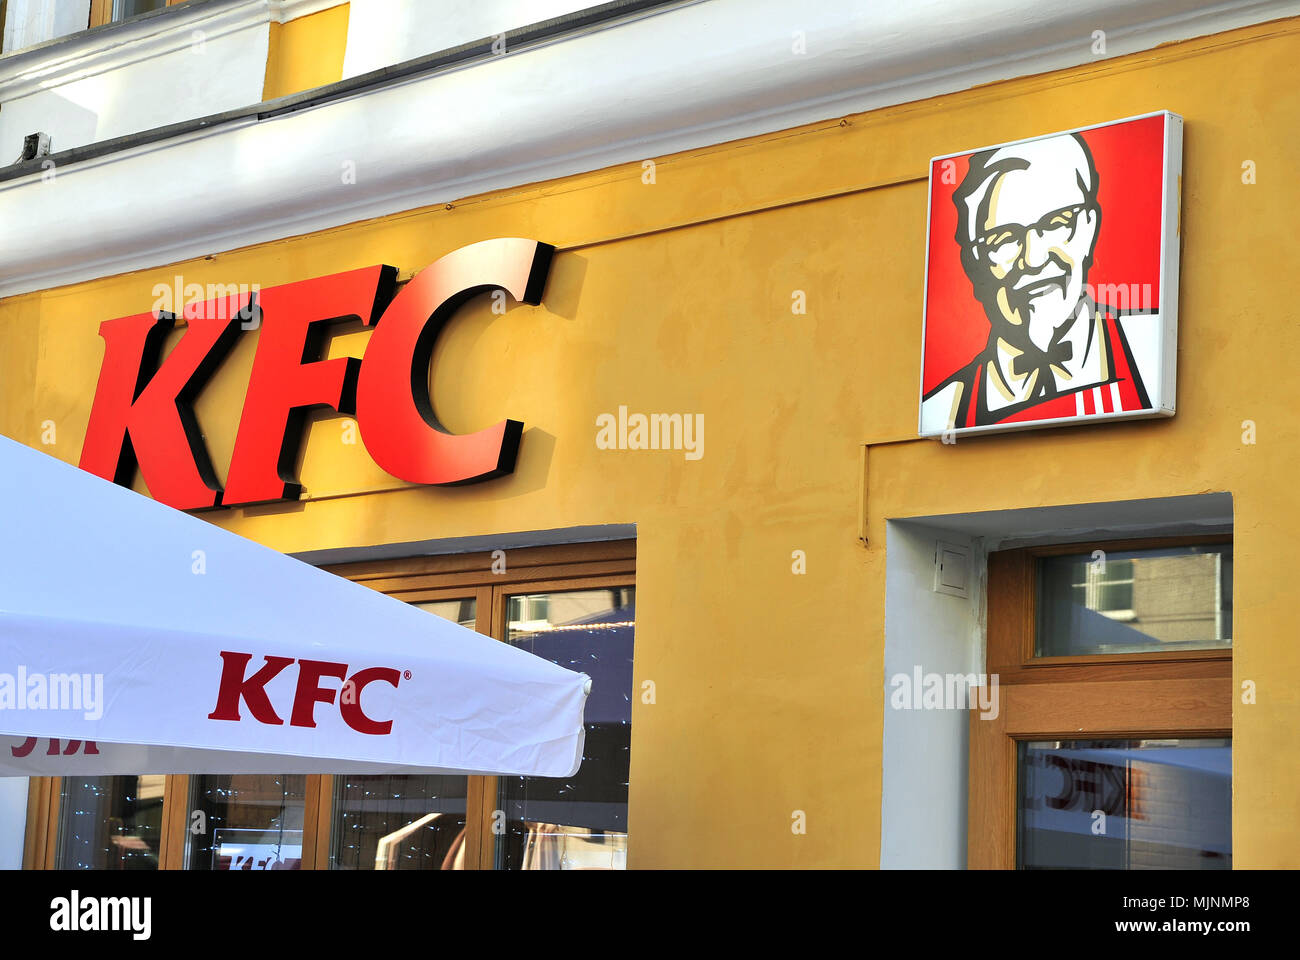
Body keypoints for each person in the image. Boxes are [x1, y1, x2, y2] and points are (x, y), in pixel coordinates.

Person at [921, 132, 1155, 433]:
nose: (1033, 259)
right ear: (975, 263)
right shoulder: (942, 412)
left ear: (1088, 229)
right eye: (1004, 238)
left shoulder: (1149, 353)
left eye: (1056, 224)